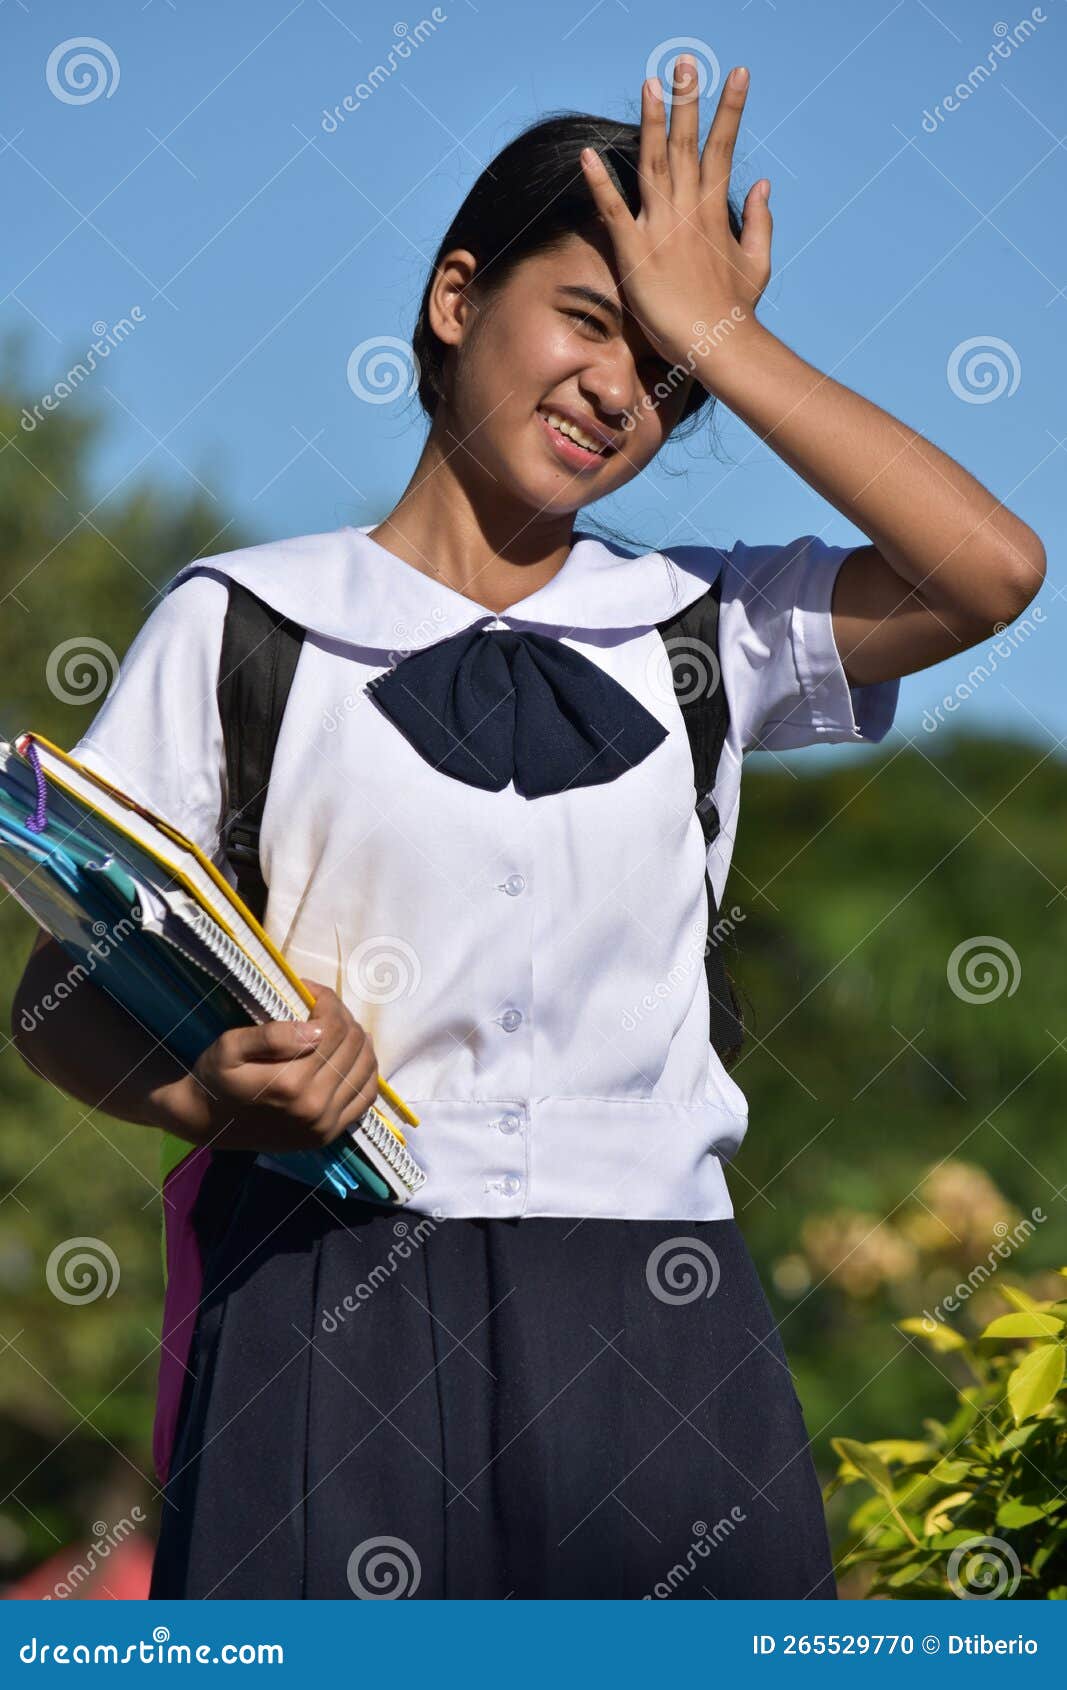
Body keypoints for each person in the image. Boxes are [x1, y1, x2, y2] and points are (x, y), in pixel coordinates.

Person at [11, 57, 1044, 1600]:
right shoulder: (243, 623)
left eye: (662, 372)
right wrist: (206, 1091)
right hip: (321, 1309)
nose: (622, 389)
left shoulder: (700, 624)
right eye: (587, 318)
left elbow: (991, 570)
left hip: (662, 1327)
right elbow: (54, 994)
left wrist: (728, 338)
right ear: (453, 299)